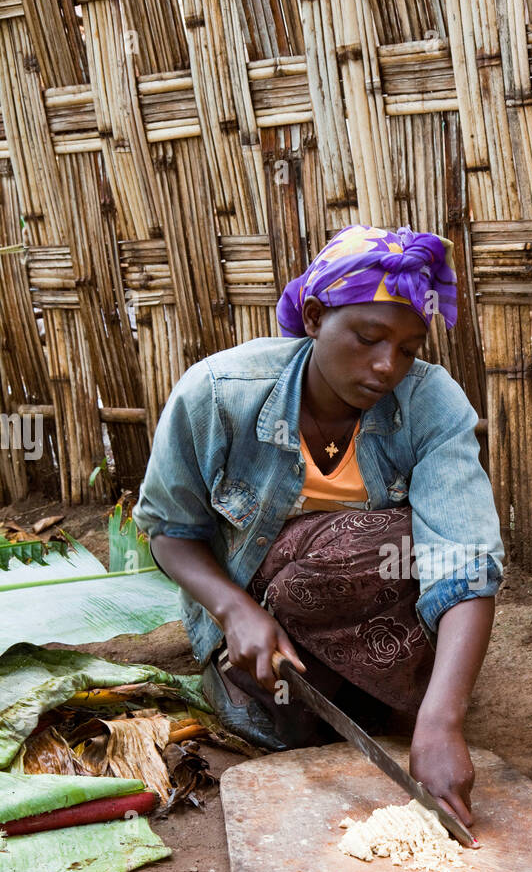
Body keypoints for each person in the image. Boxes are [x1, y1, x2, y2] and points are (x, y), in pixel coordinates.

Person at [133, 223, 504, 832]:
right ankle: (324, 695)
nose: (388, 366)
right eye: (368, 337)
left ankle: (398, 700)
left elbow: (464, 561)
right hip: (265, 617)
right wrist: (234, 612)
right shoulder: (220, 394)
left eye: (409, 348)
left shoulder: (430, 403)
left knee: (396, 548)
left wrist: (443, 723)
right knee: (294, 690)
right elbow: (171, 530)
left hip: (365, 611)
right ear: (312, 317)